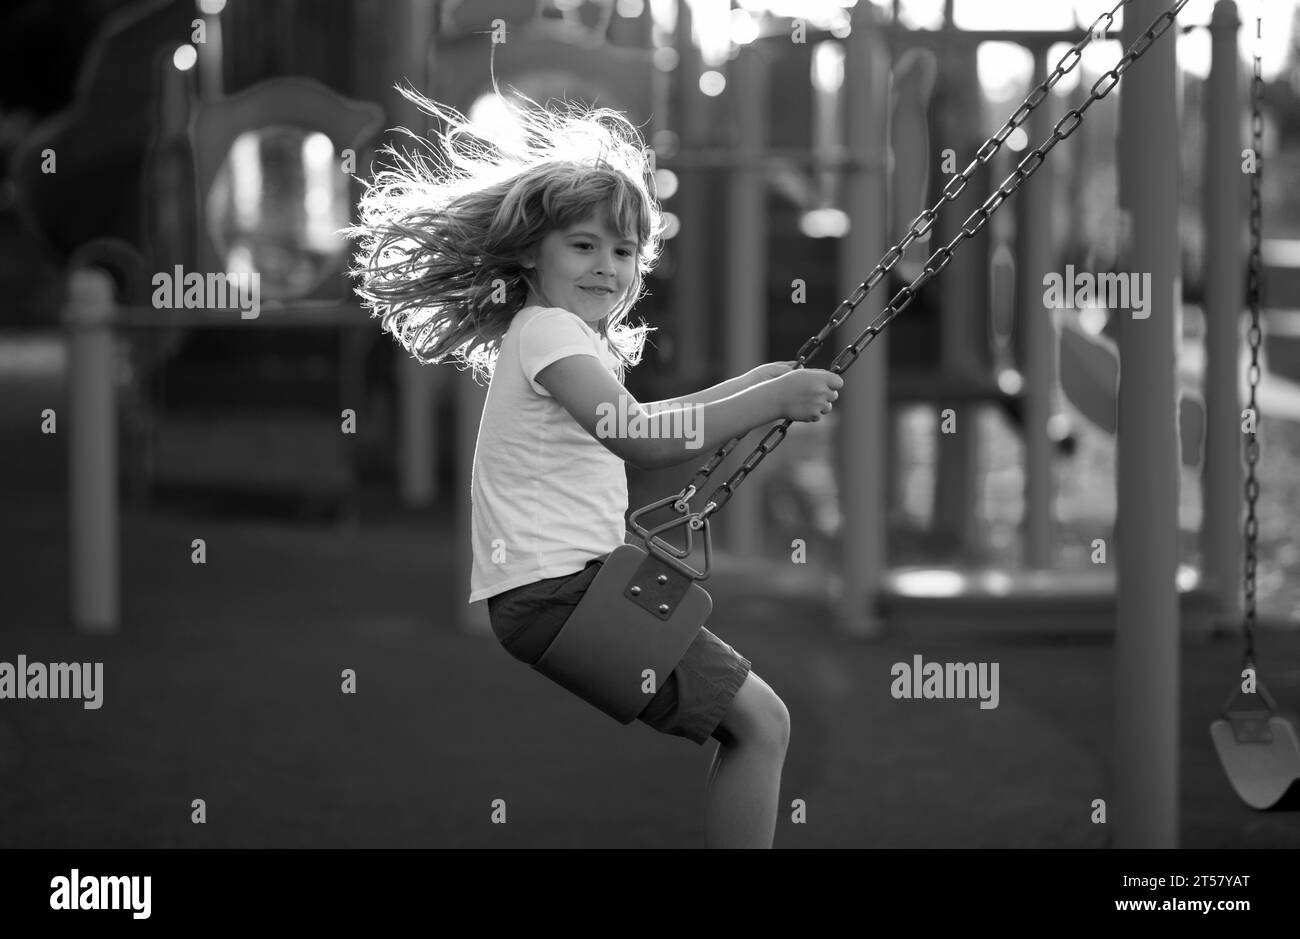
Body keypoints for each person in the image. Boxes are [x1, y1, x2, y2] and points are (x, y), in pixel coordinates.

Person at [349, 87, 843, 848]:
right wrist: (770, 396)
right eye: (583, 245)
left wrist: (754, 387)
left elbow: (643, 423)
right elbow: (641, 437)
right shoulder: (548, 332)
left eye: (622, 251)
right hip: (558, 591)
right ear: (530, 253)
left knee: (753, 725)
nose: (606, 266)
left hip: (562, 587)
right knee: (762, 723)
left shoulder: (554, 335)